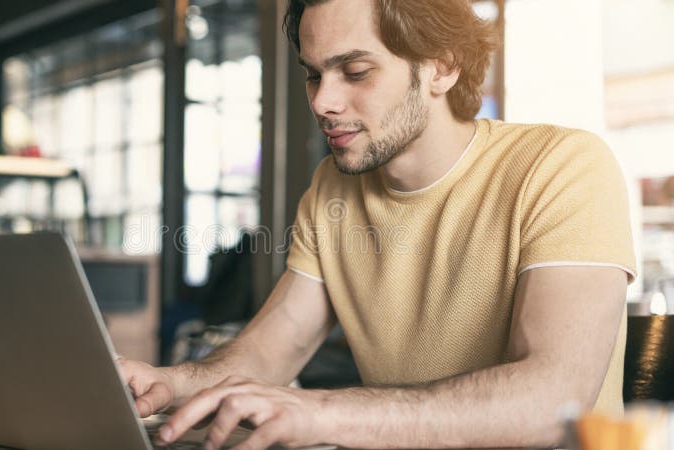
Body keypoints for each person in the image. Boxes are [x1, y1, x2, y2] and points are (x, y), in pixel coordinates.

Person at [119, 0, 636, 448]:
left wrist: (321, 412)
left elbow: (553, 398)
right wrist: (170, 382)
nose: (324, 101)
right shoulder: (332, 187)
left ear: (443, 66)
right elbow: (272, 349)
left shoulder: (562, 166)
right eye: (314, 73)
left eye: (356, 71)